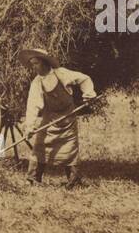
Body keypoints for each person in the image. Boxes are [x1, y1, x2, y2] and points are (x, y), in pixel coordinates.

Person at [20, 47, 97, 187]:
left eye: (36, 63)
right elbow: (32, 106)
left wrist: (89, 93)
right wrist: (29, 126)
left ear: (44, 62)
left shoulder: (61, 74)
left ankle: (74, 180)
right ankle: (33, 179)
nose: (33, 67)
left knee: (70, 148)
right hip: (49, 119)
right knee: (39, 146)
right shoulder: (37, 83)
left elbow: (84, 79)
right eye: (32, 64)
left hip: (67, 117)